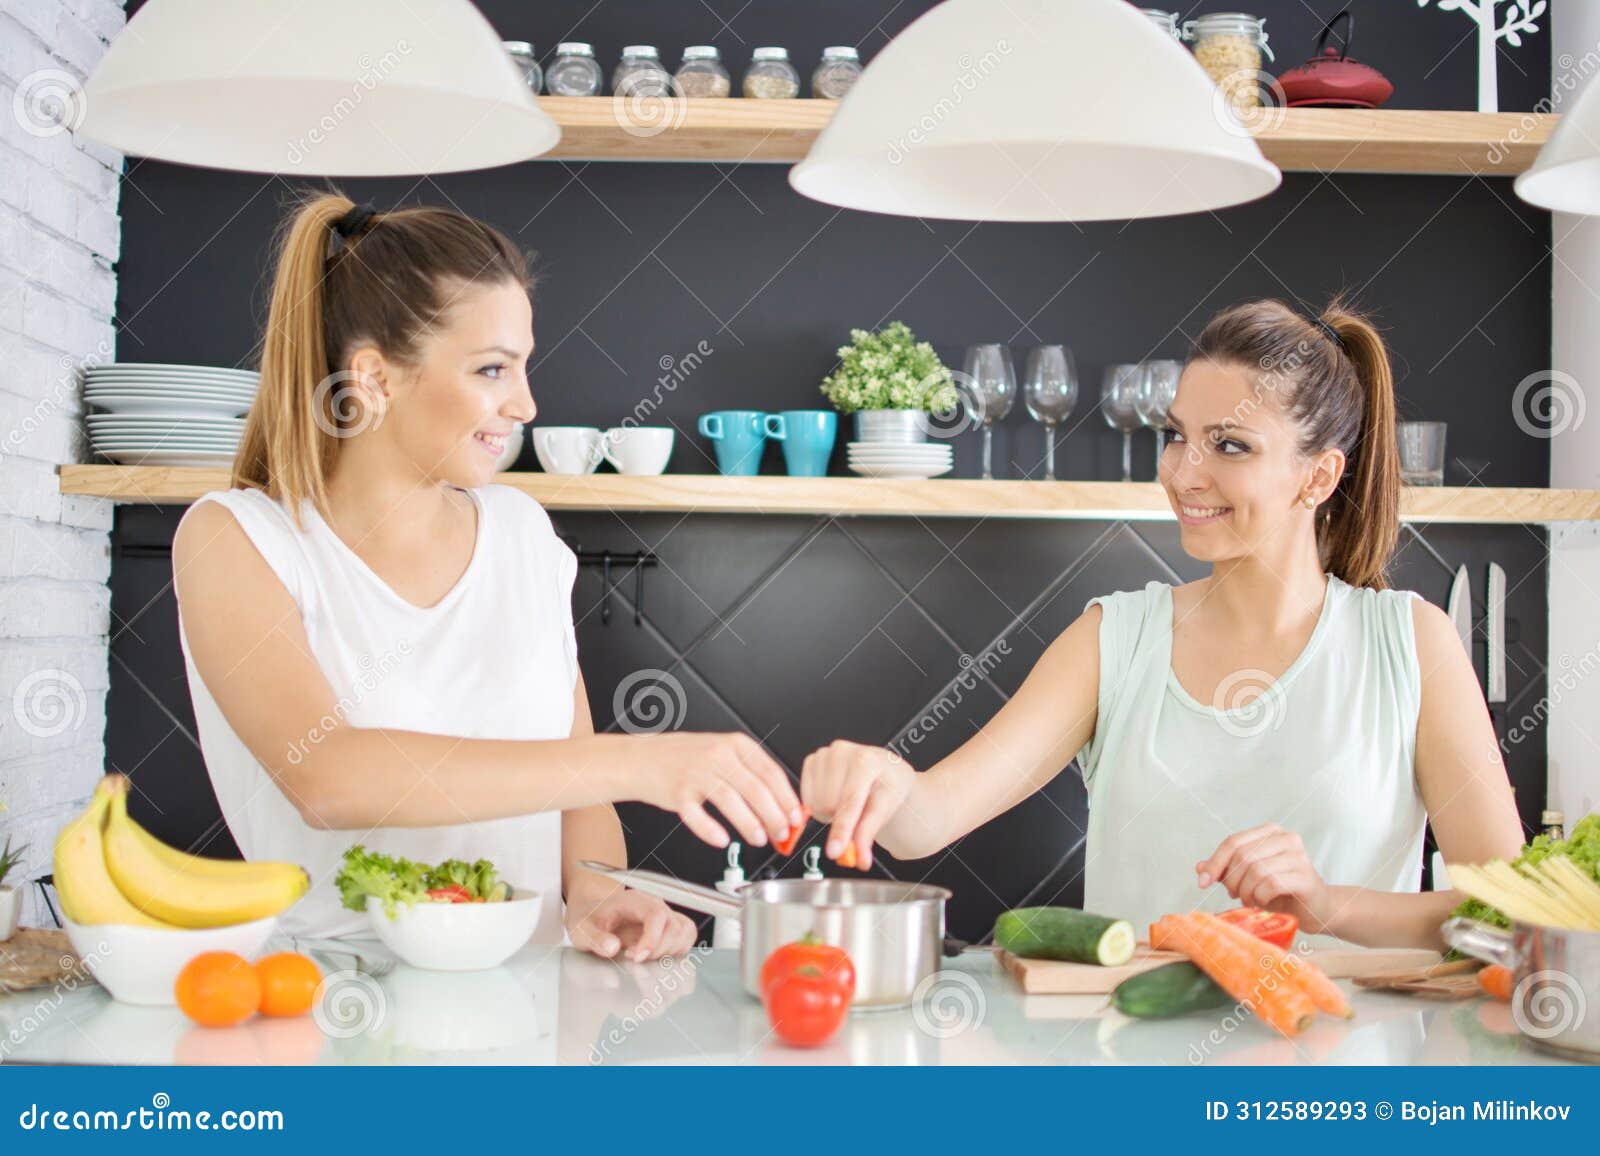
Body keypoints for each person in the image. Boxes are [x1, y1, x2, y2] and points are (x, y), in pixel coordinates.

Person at [174, 192, 803, 954]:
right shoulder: (236, 540)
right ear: (372, 378)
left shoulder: (521, 533)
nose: (526, 403)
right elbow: (329, 781)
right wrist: (641, 760)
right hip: (331, 1018)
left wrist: (597, 895)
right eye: (491, 369)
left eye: (523, 366)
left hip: (530, 1018)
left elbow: (576, 785)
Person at [799, 298, 1525, 949]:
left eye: (1230, 445)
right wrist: (880, 782)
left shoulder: (1410, 645)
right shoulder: (1114, 641)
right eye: (1177, 436)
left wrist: (1328, 906)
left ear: (1320, 477)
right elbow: (929, 818)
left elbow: (1506, 913)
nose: (1183, 473)